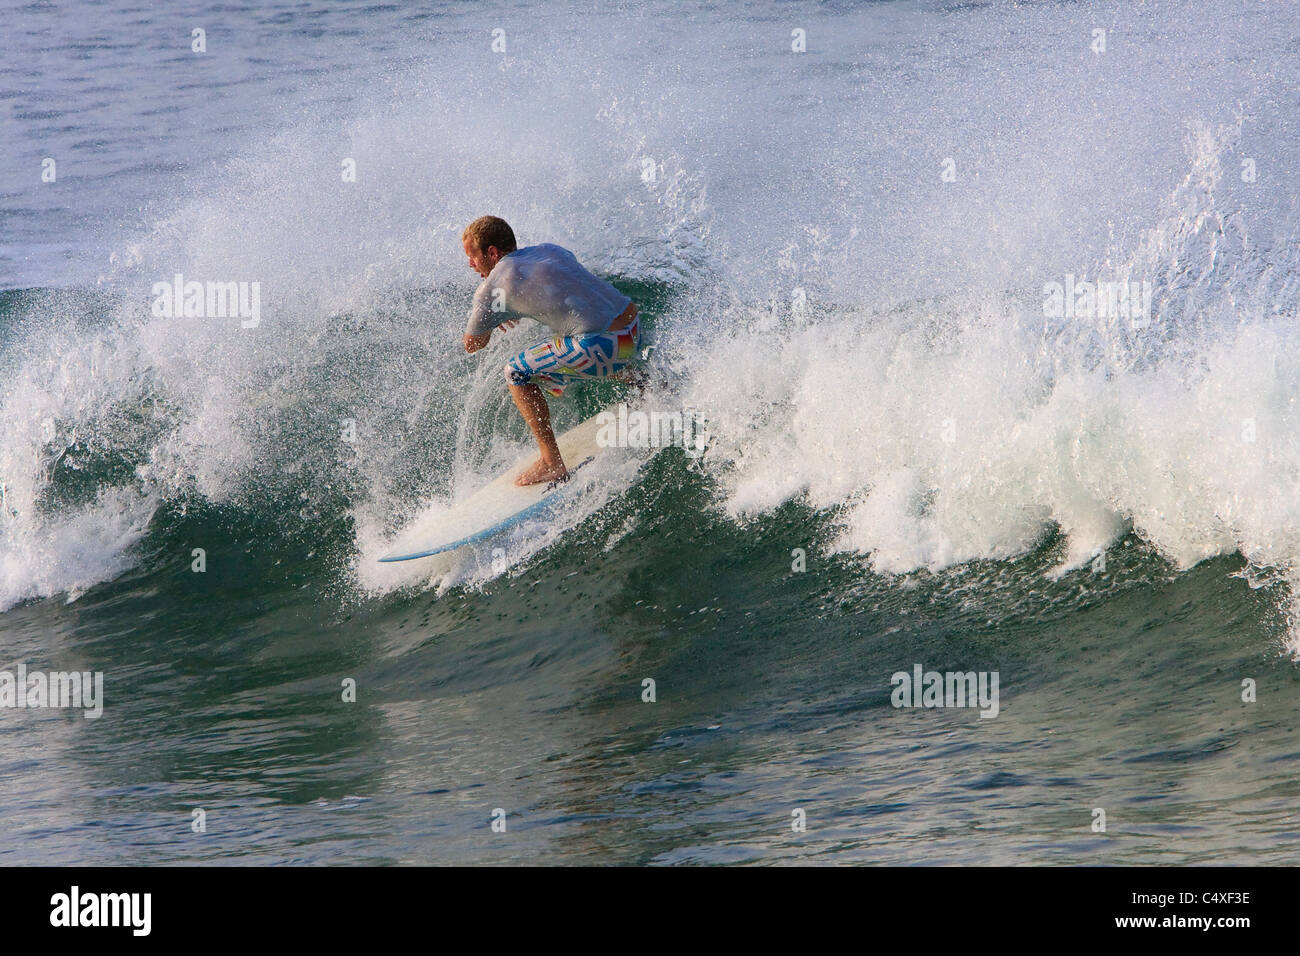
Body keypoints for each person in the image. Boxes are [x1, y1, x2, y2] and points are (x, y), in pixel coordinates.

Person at [461, 215, 640, 485]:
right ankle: (643, 383)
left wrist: (492, 308)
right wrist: (501, 309)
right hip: (632, 329)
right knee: (568, 339)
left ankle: (551, 463)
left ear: (492, 252)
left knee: (516, 372)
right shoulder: (549, 250)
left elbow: (473, 344)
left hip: (604, 346)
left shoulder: (492, 287)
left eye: (472, 257)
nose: (470, 264)